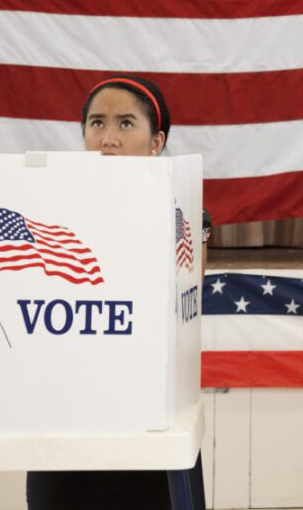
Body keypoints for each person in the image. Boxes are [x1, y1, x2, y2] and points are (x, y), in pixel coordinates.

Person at [27, 74, 208, 509]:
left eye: (126, 124)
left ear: (155, 140)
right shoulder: (46, 206)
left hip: (148, 416)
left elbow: (183, 307)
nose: (108, 138)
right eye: (96, 124)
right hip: (66, 417)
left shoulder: (186, 213)